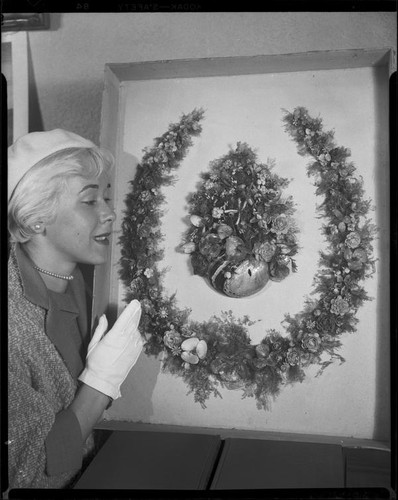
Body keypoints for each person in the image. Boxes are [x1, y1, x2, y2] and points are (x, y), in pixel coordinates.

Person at [7, 129, 144, 489]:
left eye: (107, 198)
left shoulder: (81, 281)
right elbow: (30, 472)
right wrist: (101, 384)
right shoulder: (10, 324)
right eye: (89, 201)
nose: (110, 213)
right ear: (36, 218)